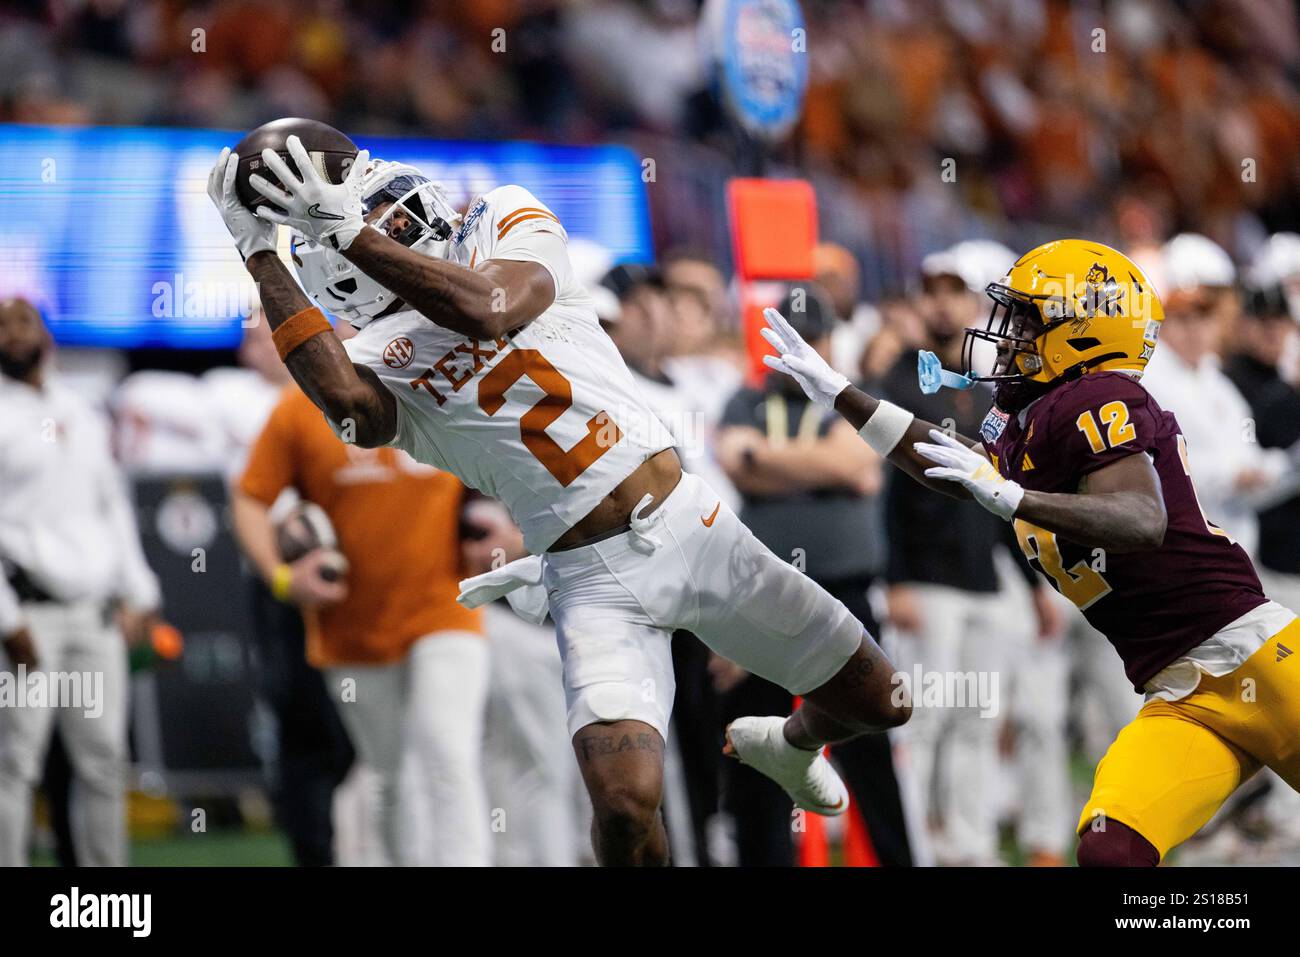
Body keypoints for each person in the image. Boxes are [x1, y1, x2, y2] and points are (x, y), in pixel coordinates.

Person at [207, 127, 910, 866]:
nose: (394, 221)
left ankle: (790, 744)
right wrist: (261, 255)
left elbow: (491, 308)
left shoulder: (504, 217)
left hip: (693, 526)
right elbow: (349, 409)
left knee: (884, 700)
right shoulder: (380, 353)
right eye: (370, 221)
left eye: (385, 211)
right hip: (591, 579)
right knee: (625, 806)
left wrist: (350, 232)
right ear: (343, 276)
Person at [761, 239, 1300, 866]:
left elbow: (1140, 519)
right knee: (1110, 852)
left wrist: (1014, 499)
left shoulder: (1098, 398)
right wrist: (841, 395)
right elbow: (945, 463)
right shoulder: (1031, 417)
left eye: (1026, 318)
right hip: (1178, 696)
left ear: (1082, 331)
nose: (1008, 334)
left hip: (1253, 659)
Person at [233, 377, 490, 866]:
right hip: (350, 626)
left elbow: (501, 465)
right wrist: (283, 578)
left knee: (447, 753)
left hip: (445, 607)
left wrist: (501, 525)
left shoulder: (439, 383)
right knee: (390, 772)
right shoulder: (300, 406)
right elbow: (250, 496)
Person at [715, 285, 913, 866]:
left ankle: (896, 860)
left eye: (812, 336)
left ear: (828, 341)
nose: (797, 348)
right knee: (757, 750)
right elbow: (735, 459)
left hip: (846, 588)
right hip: (763, 594)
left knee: (869, 742)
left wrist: (765, 460)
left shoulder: (855, 400)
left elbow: (853, 464)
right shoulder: (742, 399)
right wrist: (821, 468)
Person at [880, 245, 1061, 865]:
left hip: (984, 579)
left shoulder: (989, 392)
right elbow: (885, 490)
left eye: (953, 290)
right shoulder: (899, 378)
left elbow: (1004, 499)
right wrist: (894, 578)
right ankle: (918, 850)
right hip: (926, 580)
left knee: (978, 720)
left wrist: (1034, 584)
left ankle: (970, 847)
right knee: (924, 720)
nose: (941, 301)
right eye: (931, 288)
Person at [0, 297, 162, 867]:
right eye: (3, 325)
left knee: (104, 761)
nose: (14, 333)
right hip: (28, 616)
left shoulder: (82, 409)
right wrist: (6, 619)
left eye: (24, 321)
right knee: (14, 765)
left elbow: (111, 506)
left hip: (94, 613)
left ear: (45, 333)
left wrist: (138, 591)